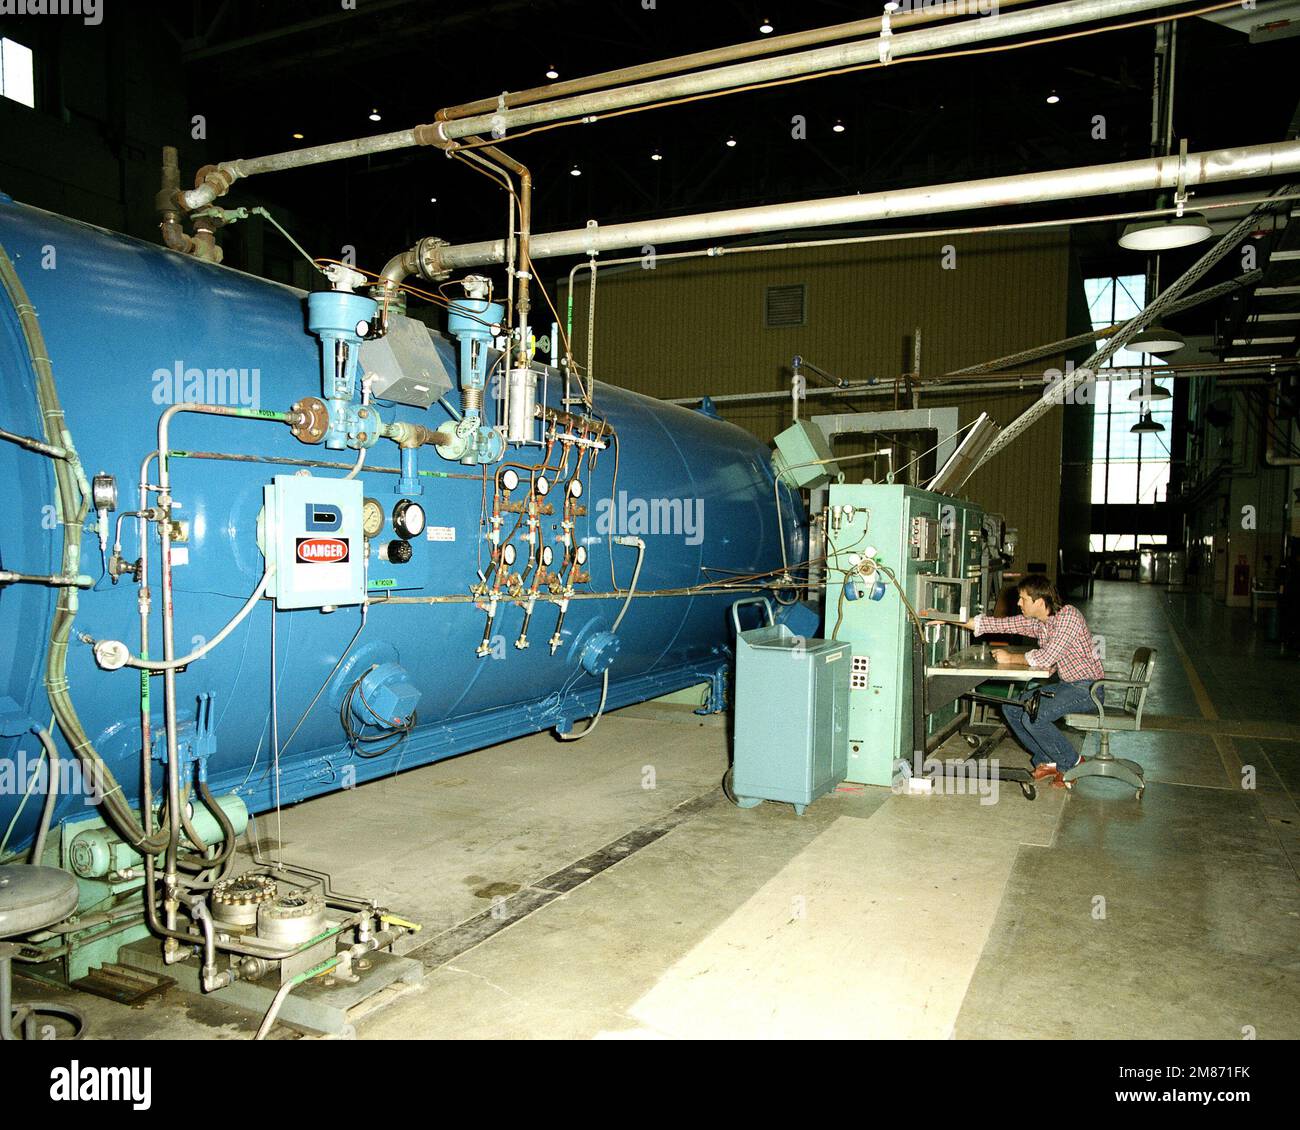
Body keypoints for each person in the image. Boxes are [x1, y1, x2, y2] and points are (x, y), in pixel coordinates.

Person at [960, 574, 1103, 789]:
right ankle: (1049, 760)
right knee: (1012, 709)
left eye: (1023, 599)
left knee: (1036, 716)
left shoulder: (1068, 617)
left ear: (1039, 601)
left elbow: (1046, 658)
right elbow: (1004, 625)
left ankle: (1072, 762)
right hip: (1068, 685)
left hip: (1088, 689)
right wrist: (948, 619)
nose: (1018, 603)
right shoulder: (1042, 623)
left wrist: (1010, 658)